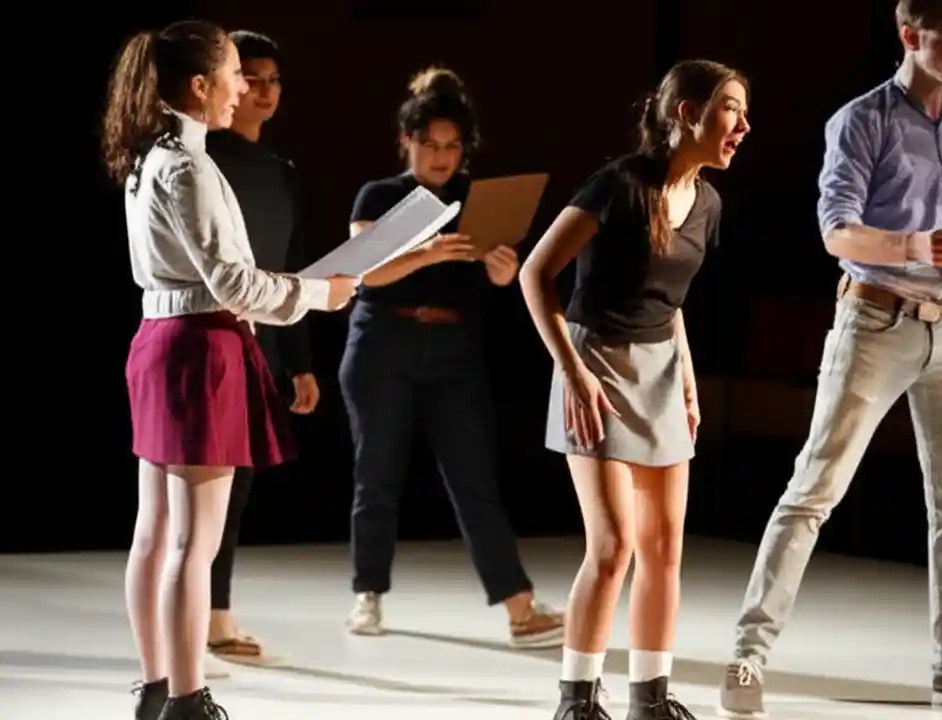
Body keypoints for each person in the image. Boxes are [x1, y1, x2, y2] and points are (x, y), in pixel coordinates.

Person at [715, 1, 942, 717]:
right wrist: (912, 246)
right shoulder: (861, 119)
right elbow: (836, 232)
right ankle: (748, 656)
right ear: (909, 35)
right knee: (813, 492)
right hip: (876, 319)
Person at [103, 20, 357, 720]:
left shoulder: (152, 158)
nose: (244, 86)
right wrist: (321, 294)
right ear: (199, 85)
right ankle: (188, 697)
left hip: (163, 340)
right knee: (190, 540)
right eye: (235, 73)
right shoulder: (185, 165)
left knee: (155, 533)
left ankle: (160, 685)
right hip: (197, 347)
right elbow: (234, 284)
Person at [520, 59, 751, 720]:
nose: (744, 124)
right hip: (595, 367)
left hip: (661, 373)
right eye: (732, 108)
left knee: (665, 547)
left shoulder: (708, 202)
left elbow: (669, 302)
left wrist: (688, 380)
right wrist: (573, 370)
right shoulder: (618, 184)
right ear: (688, 112)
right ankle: (578, 699)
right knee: (614, 544)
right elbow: (536, 275)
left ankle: (649, 697)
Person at [339, 66, 564, 648]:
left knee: (474, 479)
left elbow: (496, 278)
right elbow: (365, 274)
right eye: (429, 145)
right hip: (382, 342)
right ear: (405, 142)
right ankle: (367, 594)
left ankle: (519, 607)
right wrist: (429, 252)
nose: (441, 157)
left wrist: (503, 271)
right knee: (377, 474)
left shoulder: (474, 197)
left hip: (454, 348)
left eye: (452, 146)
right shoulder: (380, 196)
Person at [201, 29, 316, 670]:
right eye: (253, 78)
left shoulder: (283, 174)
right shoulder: (203, 164)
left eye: (275, 80)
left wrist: (298, 361)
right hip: (207, 336)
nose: (265, 90)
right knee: (203, 492)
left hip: (261, 345)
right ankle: (200, 617)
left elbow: (292, 269)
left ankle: (215, 615)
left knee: (237, 487)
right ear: (227, 83)